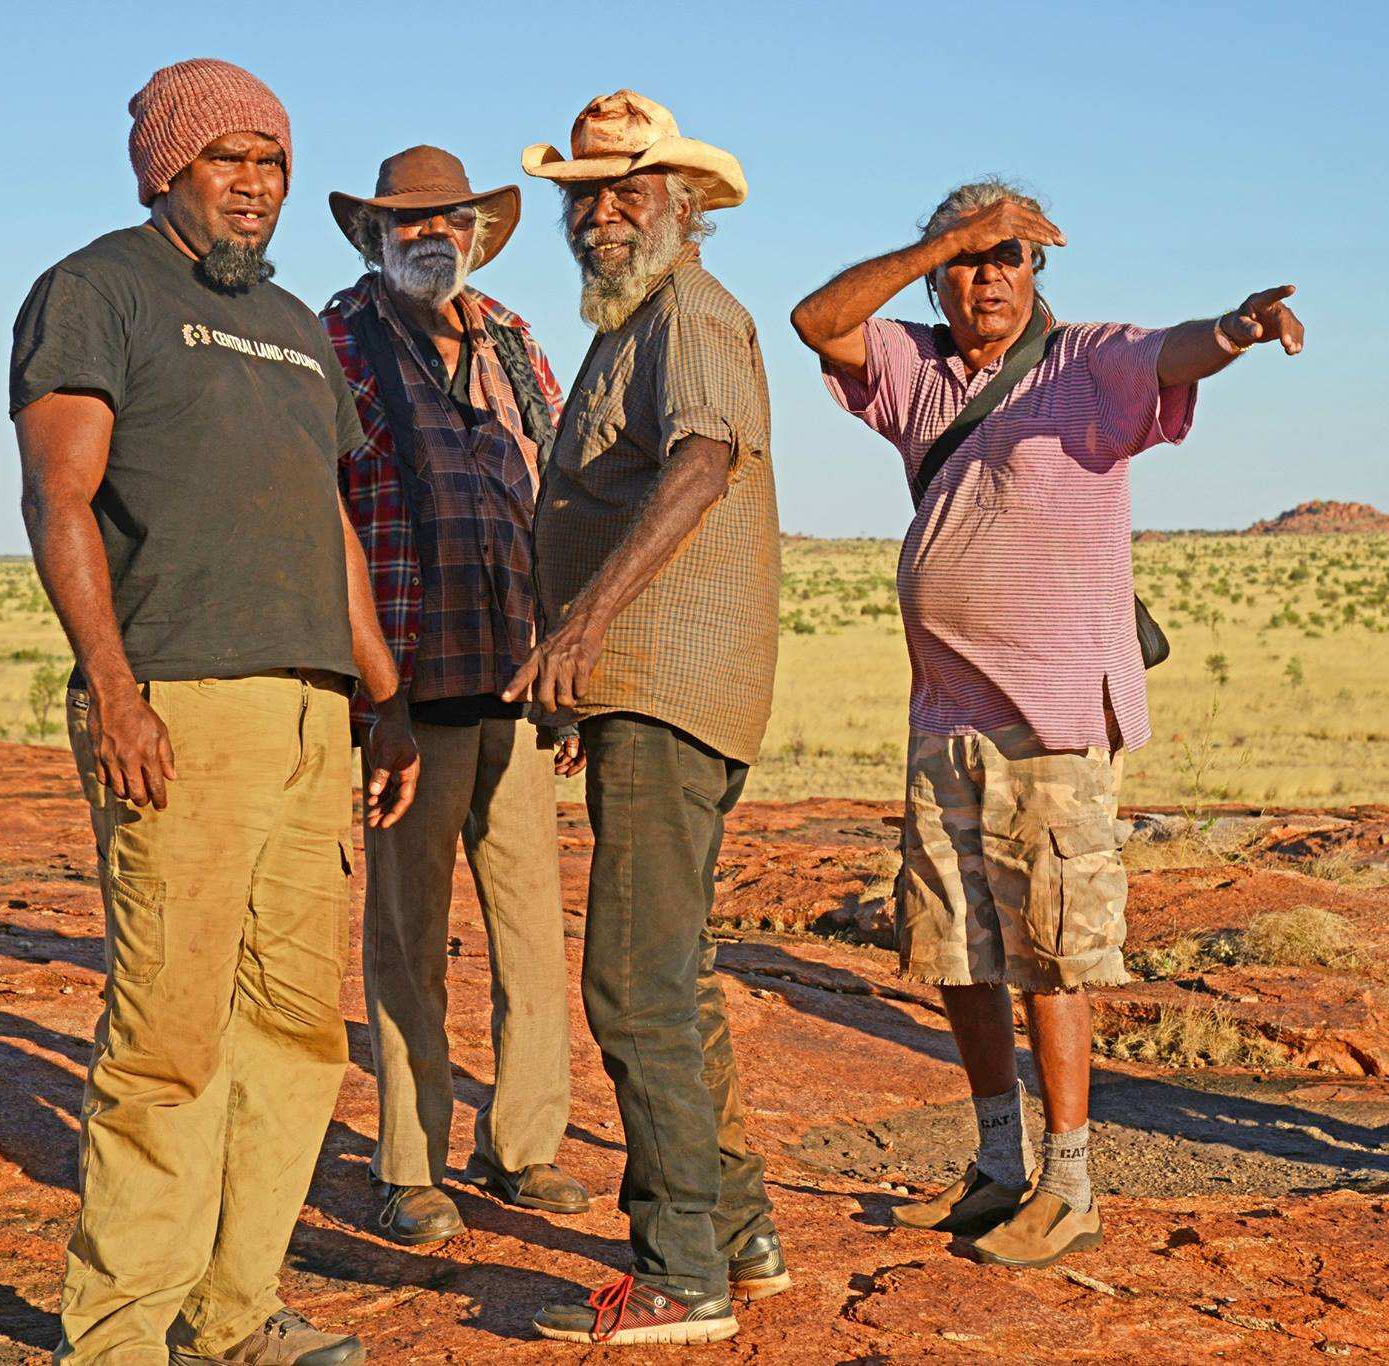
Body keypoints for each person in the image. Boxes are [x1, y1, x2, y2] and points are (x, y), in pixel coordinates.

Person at [790, 179, 1304, 1269]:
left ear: (1038, 272)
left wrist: (1238, 329)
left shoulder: (1088, 359)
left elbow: (1176, 350)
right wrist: (942, 236)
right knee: (957, 947)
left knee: (1050, 951)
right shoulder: (911, 370)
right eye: (972, 259)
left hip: (1054, 718)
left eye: (1012, 256)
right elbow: (816, 322)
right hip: (946, 716)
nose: (990, 277)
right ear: (937, 271)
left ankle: (1069, 1185)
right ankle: (994, 1163)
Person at [9, 58, 419, 1366]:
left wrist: (386, 693)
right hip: (180, 705)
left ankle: (235, 1310)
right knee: (169, 1031)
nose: (256, 182)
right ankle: (120, 1334)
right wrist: (115, 690)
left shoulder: (300, 327)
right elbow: (59, 495)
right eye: (228, 157)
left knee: (297, 1029)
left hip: (312, 719)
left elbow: (331, 520)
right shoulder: (99, 290)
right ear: (166, 170)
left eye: (274, 161)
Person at [507, 90, 787, 1346]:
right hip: (645, 689)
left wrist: (582, 627)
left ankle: (679, 1269)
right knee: (673, 970)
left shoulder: (692, 315)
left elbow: (702, 458)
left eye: (626, 191)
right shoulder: (639, 323)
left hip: (667, 685)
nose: (600, 214)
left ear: (684, 206)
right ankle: (736, 1232)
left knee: (631, 981)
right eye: (584, 195)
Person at [317, 145, 589, 1246]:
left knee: (531, 936)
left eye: (453, 221)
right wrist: (373, 697)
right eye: (410, 223)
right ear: (374, 239)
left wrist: (572, 675)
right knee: (406, 940)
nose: (435, 237)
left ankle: (522, 1148)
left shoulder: (516, 343)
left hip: (518, 689)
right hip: (409, 700)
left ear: (475, 233)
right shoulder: (336, 343)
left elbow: (561, 500)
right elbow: (318, 519)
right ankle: (409, 1166)